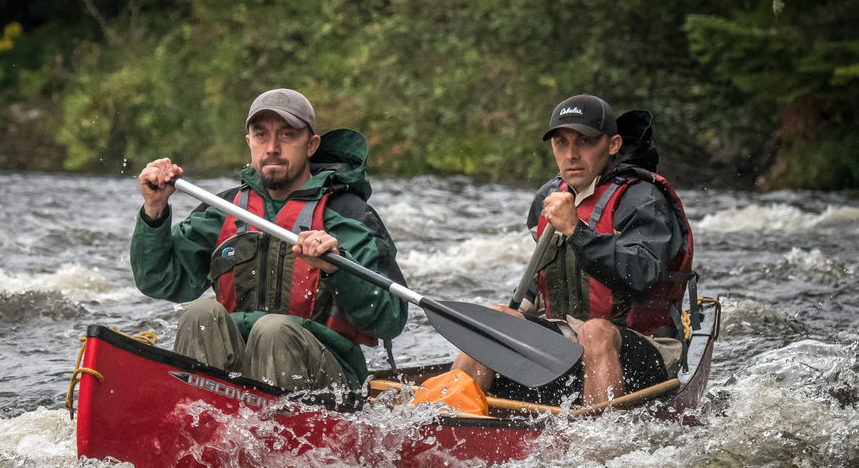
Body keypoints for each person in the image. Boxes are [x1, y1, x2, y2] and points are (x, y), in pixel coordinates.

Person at [131, 88, 408, 392]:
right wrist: (155, 209)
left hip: (327, 383)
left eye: (287, 135)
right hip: (235, 376)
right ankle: (195, 415)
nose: (272, 147)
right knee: (198, 314)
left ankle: (275, 430)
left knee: (273, 329)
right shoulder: (223, 210)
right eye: (261, 135)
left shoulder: (351, 216)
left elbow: (390, 320)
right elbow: (158, 281)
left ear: (311, 144)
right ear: (249, 142)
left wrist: (336, 269)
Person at [452, 94, 693, 406]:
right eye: (561, 143)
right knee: (496, 318)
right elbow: (542, 281)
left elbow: (642, 276)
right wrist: (508, 323)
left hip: (644, 348)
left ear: (613, 144)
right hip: (565, 344)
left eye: (586, 142)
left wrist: (576, 231)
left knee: (595, 332)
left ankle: (599, 443)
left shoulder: (642, 199)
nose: (571, 155)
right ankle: (443, 419)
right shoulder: (548, 198)